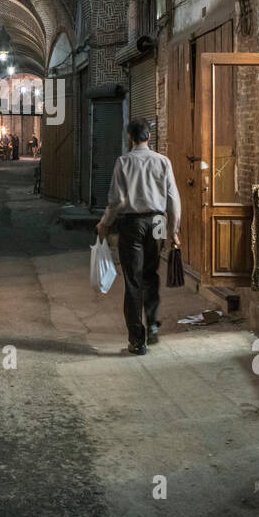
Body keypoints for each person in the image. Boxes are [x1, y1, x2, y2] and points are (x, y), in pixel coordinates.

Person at [95, 120, 181, 355]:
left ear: (130, 138)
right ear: (149, 136)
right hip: (157, 223)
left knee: (133, 280)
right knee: (150, 275)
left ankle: (136, 340)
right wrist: (174, 230)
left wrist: (105, 223)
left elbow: (117, 201)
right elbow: (173, 199)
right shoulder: (163, 161)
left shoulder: (123, 162)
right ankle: (152, 323)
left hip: (132, 223)